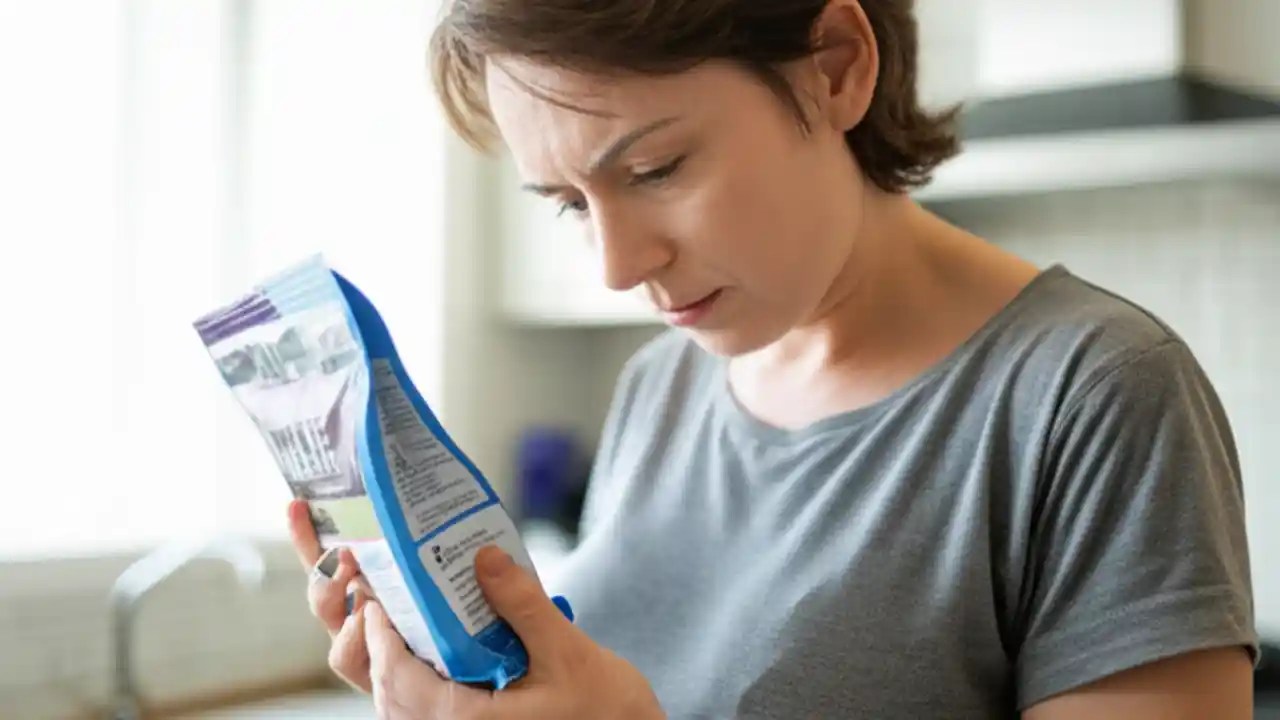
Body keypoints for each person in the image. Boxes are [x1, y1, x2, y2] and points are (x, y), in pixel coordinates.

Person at [288, 0, 1261, 717]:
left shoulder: (1095, 394)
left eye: (654, 169)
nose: (617, 268)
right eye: (571, 203)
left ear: (833, 67)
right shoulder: (660, 385)